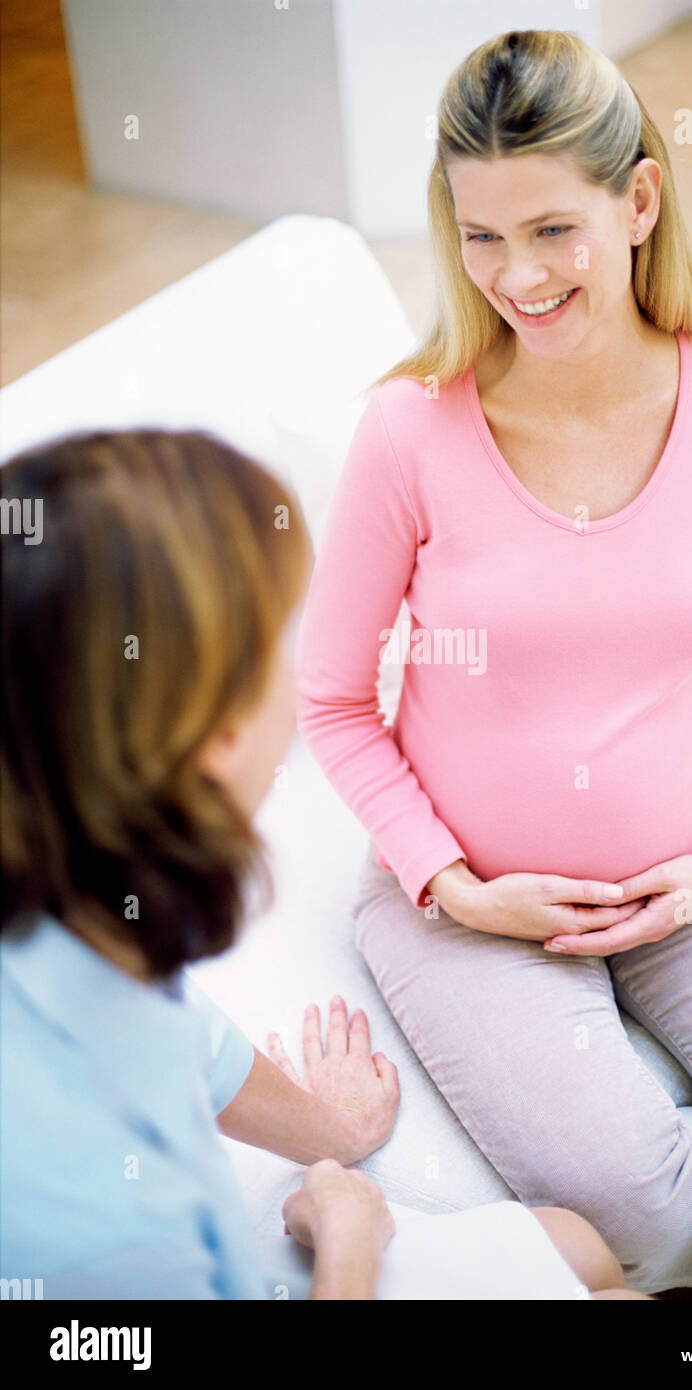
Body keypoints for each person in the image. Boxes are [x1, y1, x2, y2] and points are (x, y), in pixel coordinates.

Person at [293, 29, 692, 1298]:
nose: (514, 276)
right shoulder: (409, 430)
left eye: (552, 230)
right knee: (642, 1225)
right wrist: (452, 885)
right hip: (474, 911)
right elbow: (331, 703)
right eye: (479, 236)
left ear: (640, 201)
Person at [0, 426, 649, 1300]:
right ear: (218, 740)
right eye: (277, 646)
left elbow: (180, 1032)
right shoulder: (99, 1229)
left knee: (576, 1250)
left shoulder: (70, 888)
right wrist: (350, 1239)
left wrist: (330, 1134)